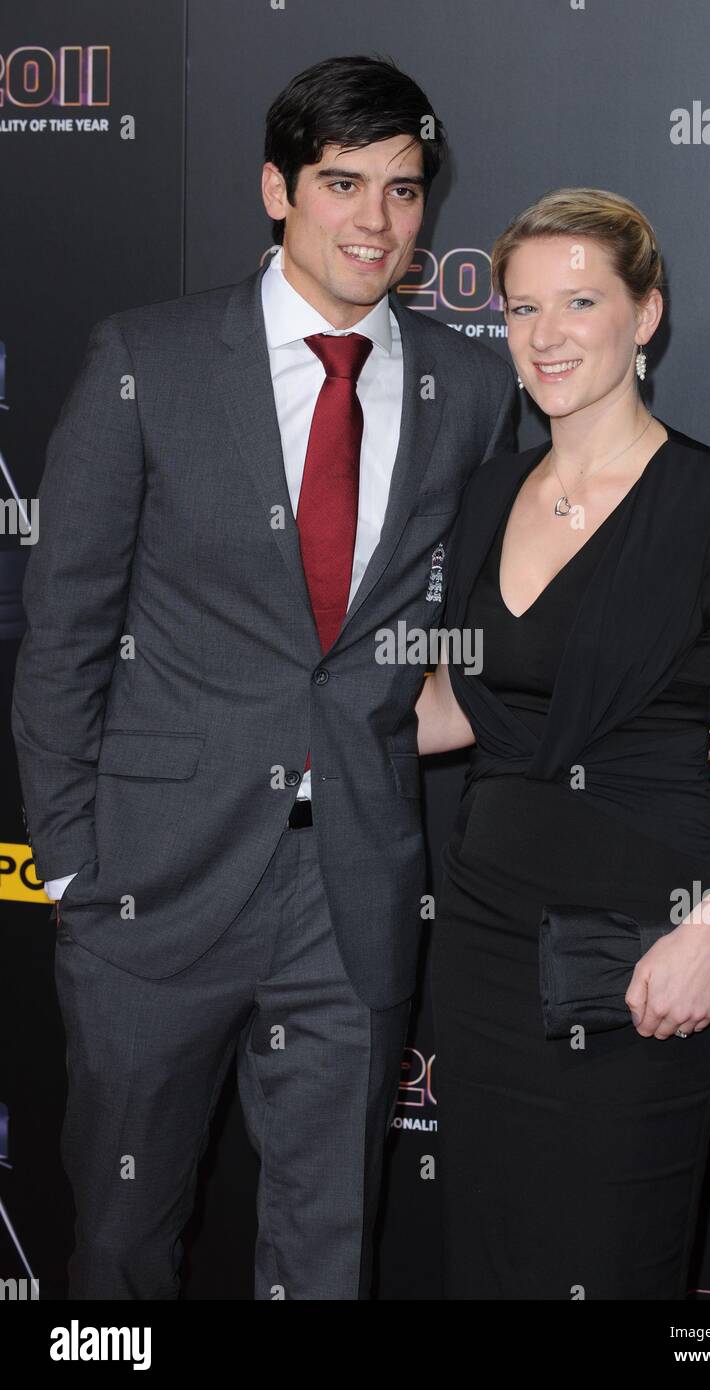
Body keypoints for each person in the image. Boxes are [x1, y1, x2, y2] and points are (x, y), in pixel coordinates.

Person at [10, 54, 525, 1301]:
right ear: (274, 189)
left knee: (328, 1242)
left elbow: (497, 625)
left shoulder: (470, 386)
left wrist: (635, 721)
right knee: (122, 1249)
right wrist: (74, 855)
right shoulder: (151, 357)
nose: (375, 221)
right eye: (342, 184)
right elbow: (65, 622)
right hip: (152, 877)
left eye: (403, 191)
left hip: (349, 884)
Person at [416, 188, 710, 1300]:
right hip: (484, 935)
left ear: (644, 314)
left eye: (578, 302)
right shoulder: (485, 492)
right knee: (487, 1252)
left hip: (645, 946)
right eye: (519, 311)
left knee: (612, 1262)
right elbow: (462, 705)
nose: (545, 336)